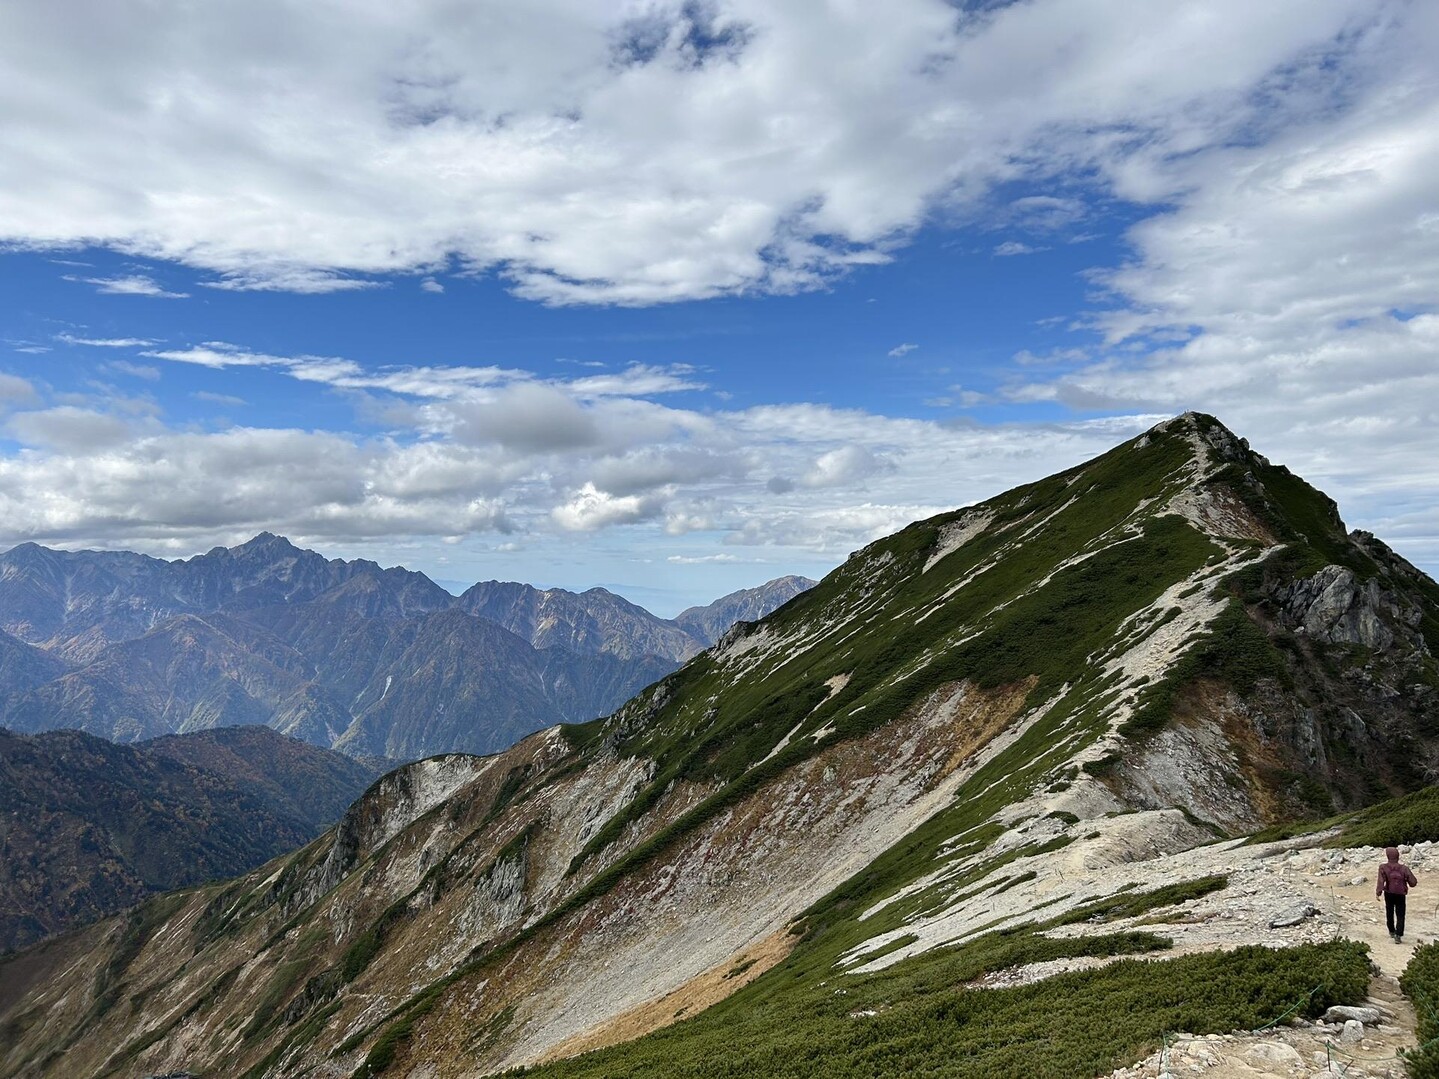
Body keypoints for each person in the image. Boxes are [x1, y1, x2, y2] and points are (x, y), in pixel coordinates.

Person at [1377, 845, 1419, 943]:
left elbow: (1380, 881)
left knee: (1389, 912)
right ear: (1398, 856)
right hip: (1400, 894)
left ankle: (1391, 931)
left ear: (1388, 856)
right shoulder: (1404, 868)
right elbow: (1413, 882)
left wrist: (1378, 892)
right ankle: (1398, 935)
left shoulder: (1383, 867)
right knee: (1400, 914)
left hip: (1389, 893)